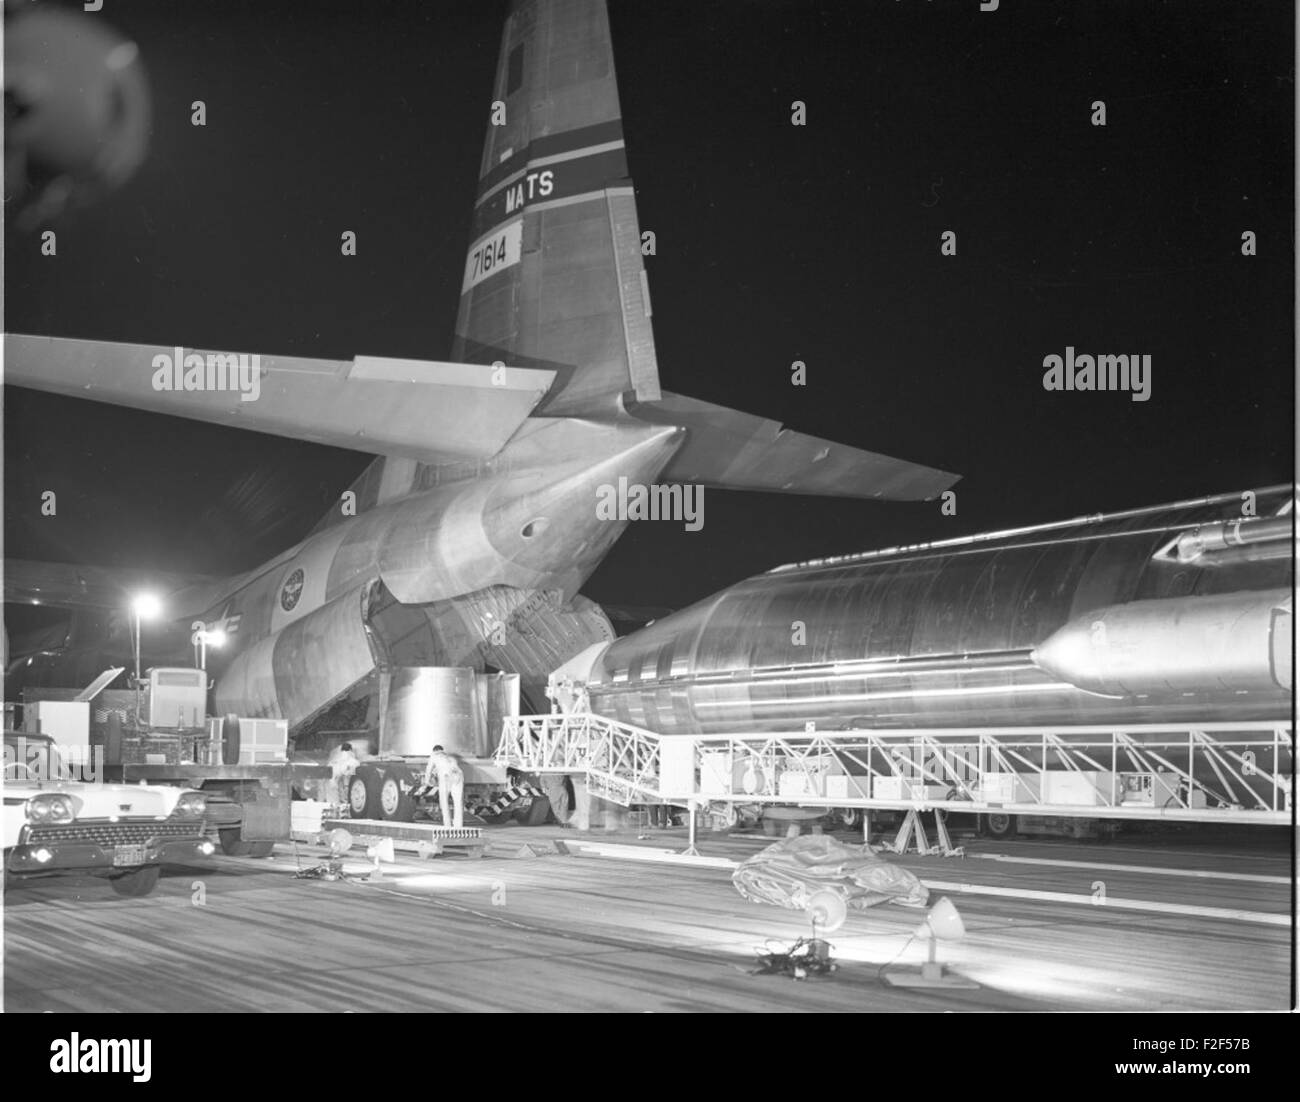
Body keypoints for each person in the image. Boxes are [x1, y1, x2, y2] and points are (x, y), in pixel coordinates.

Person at [424, 744, 465, 829]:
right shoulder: (449, 757)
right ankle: (458, 826)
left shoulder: (434, 756)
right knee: (458, 803)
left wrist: (427, 782)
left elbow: (429, 769)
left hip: (446, 776)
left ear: (434, 751)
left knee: (444, 802)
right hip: (458, 775)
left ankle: (447, 826)